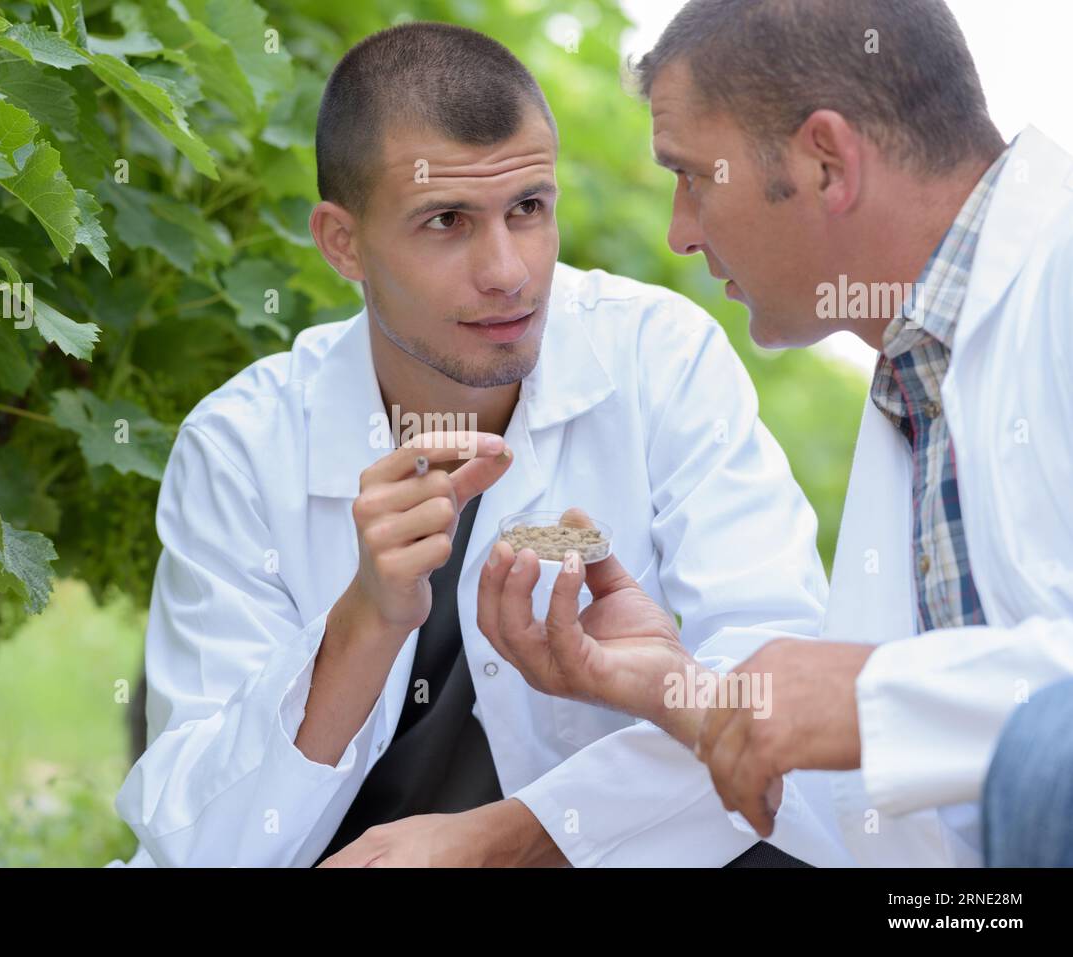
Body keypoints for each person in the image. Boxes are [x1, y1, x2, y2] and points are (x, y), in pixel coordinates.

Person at [111, 22, 850, 867]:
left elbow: (774, 696)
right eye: (447, 220)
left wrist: (512, 838)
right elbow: (199, 846)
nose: (508, 270)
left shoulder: (660, 359)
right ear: (341, 242)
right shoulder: (240, 447)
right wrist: (363, 622)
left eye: (528, 209)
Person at [478, 0, 1073, 867]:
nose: (681, 233)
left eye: (694, 176)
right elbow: (906, 826)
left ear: (826, 163)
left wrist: (876, 698)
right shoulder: (916, 383)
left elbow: (925, 722)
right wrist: (680, 691)